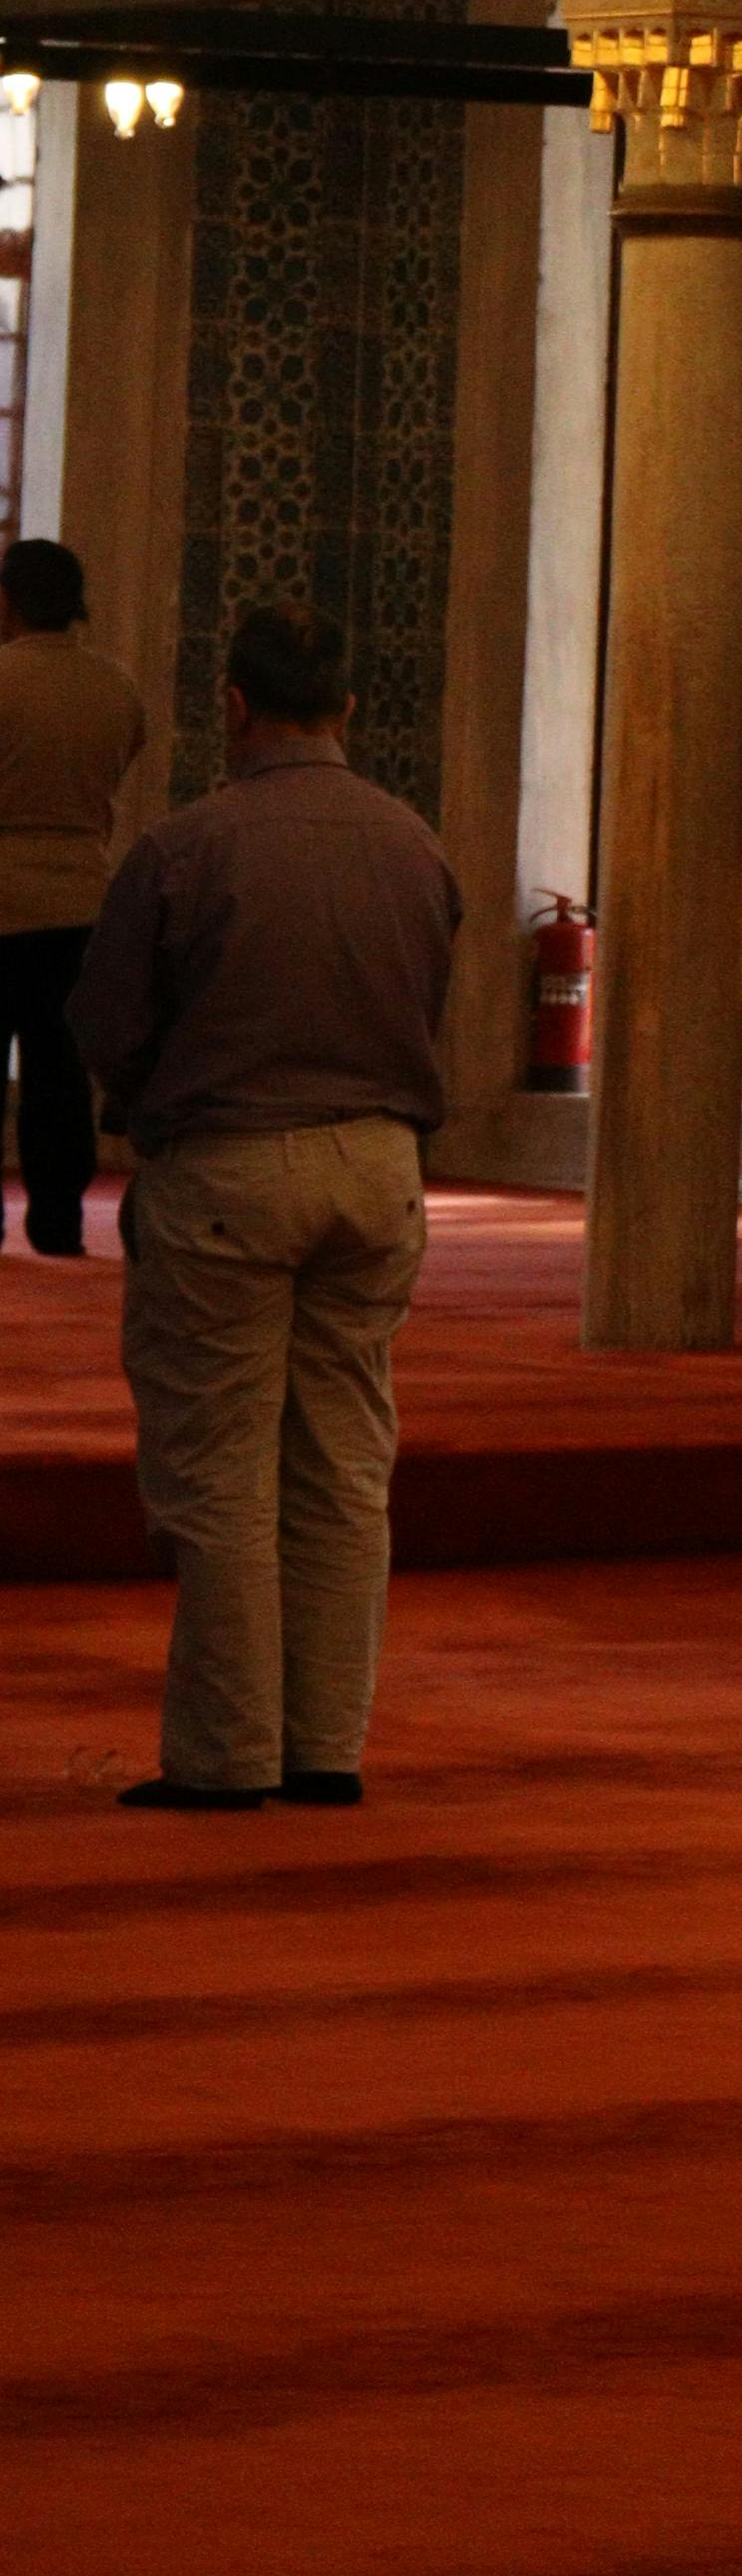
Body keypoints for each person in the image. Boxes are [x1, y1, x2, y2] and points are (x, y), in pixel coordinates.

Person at [70, 597, 458, 1815]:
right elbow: (429, 1007)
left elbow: (108, 1029)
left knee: (221, 1469)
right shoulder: (414, 845)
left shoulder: (189, 847)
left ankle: (226, 1757)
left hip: (232, 1173)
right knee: (345, 1463)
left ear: (233, 706)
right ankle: (325, 1748)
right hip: (380, 1171)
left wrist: (152, 1112)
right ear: (347, 707)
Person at [0, 535, 143, 1259]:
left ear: (7, 602)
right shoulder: (115, 689)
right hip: (81, 904)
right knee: (58, 1069)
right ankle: (56, 1221)